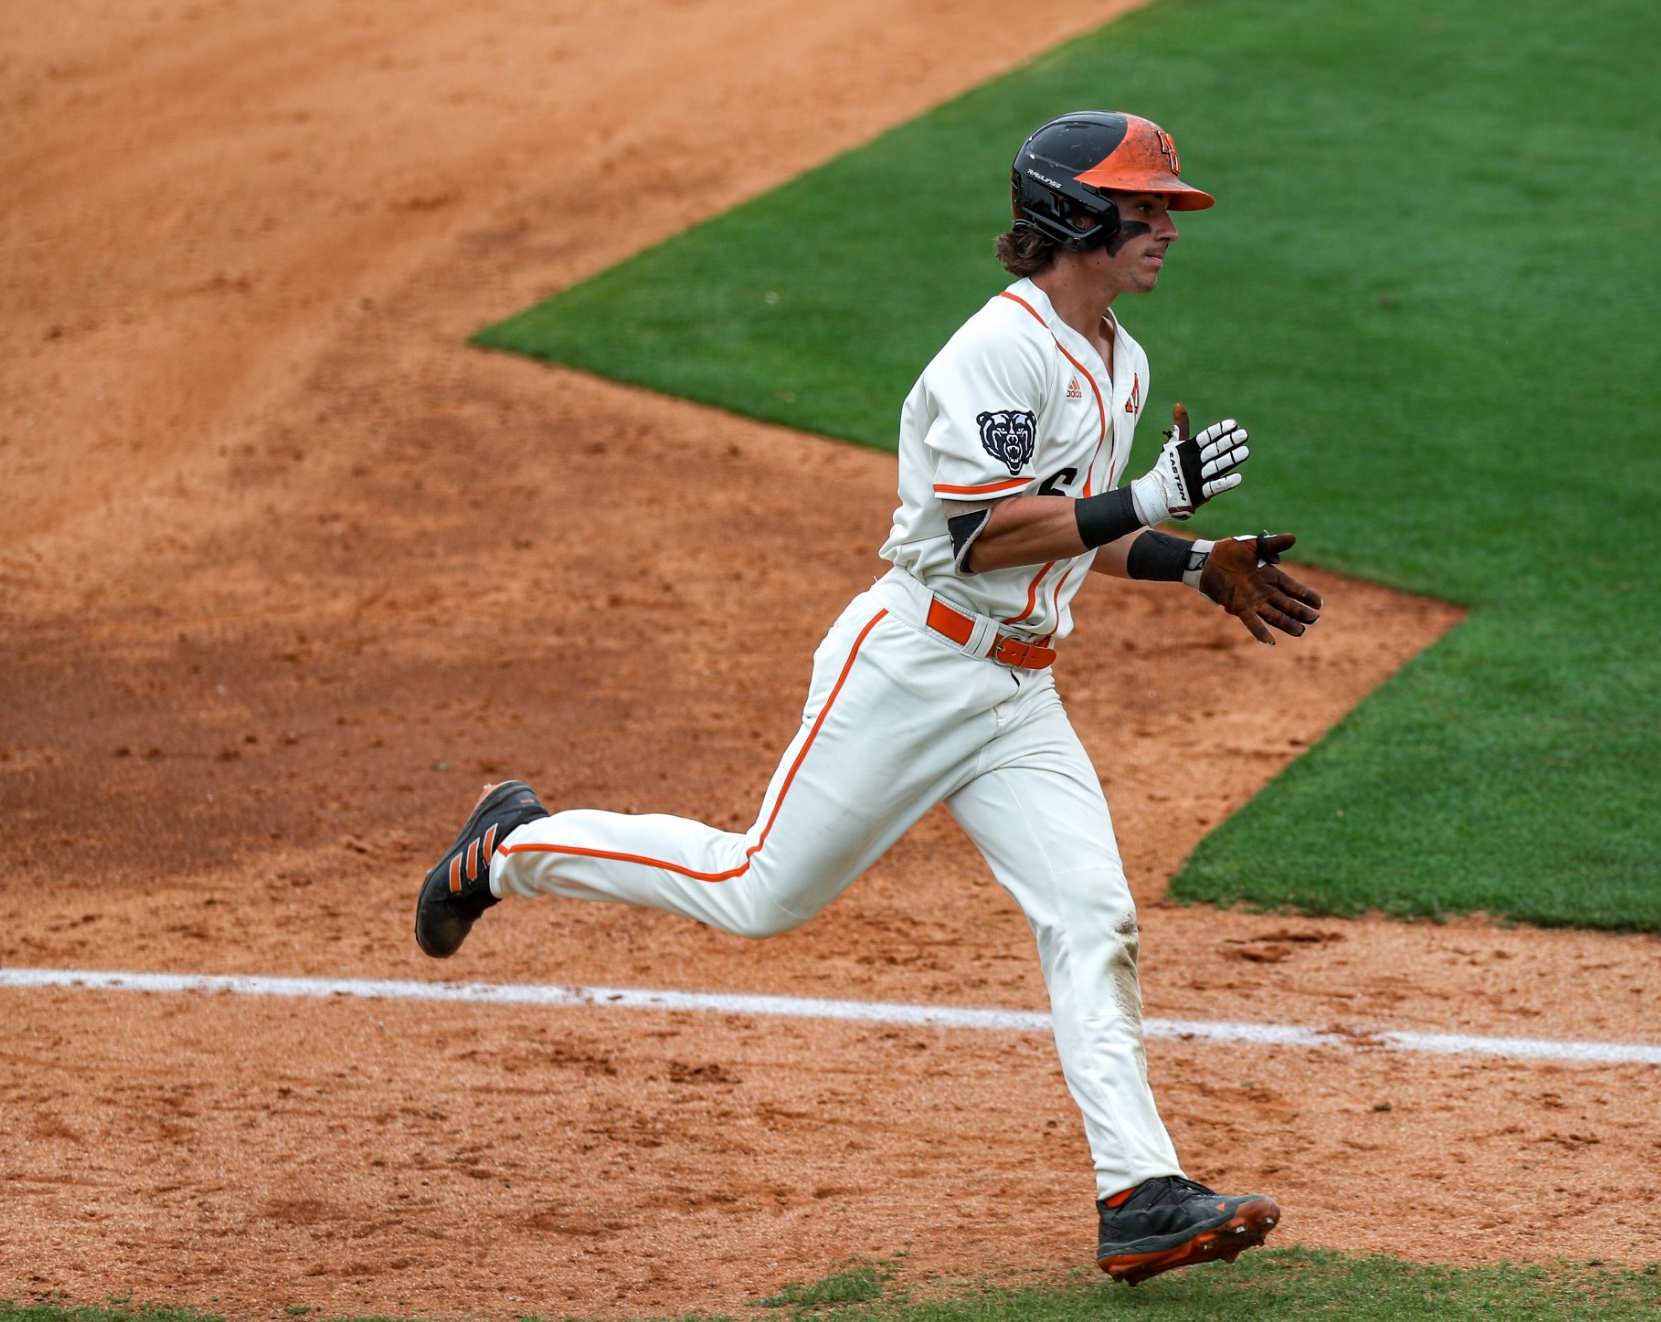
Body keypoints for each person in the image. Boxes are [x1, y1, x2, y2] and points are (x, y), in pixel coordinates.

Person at [412, 110, 1323, 1285]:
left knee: (1093, 918)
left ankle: (1137, 1192)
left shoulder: (1120, 358)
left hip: (1017, 695)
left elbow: (1067, 534)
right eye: (1140, 206)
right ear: (1069, 215)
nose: (1163, 225)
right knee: (755, 892)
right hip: (913, 667)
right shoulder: (995, 352)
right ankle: (509, 846)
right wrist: (1148, 494)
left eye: (1162, 207)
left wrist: (1193, 560)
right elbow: (976, 533)